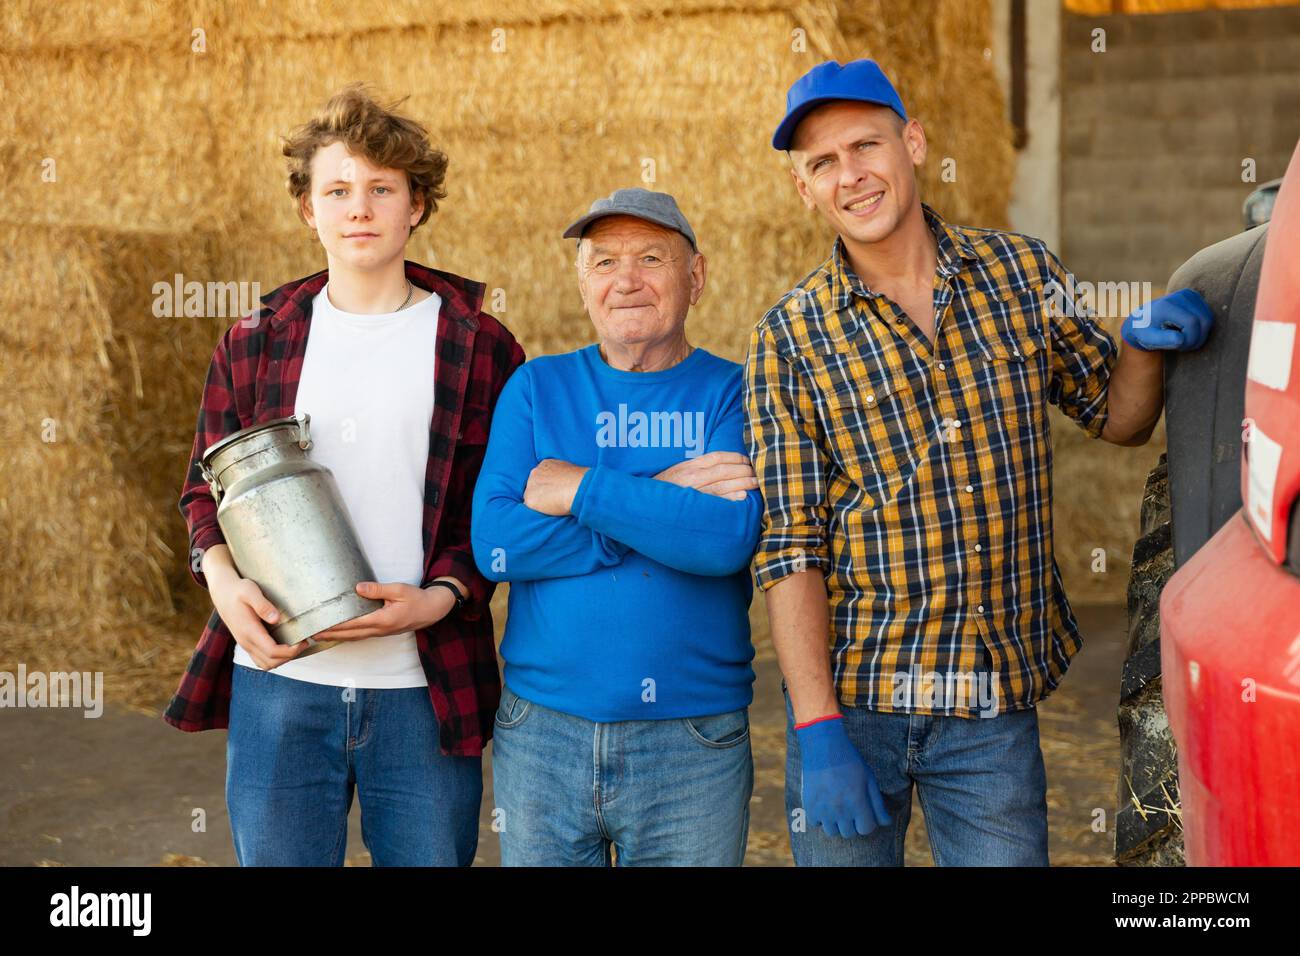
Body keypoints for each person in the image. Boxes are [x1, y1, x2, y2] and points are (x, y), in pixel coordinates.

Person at [745, 59, 1214, 866]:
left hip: (991, 709)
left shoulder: (1022, 275)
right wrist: (817, 726)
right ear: (803, 190)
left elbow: (1120, 417)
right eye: (823, 163)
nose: (850, 175)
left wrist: (1139, 349)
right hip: (859, 705)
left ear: (915, 142)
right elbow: (790, 547)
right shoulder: (787, 339)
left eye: (866, 145)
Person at [166, 83, 525, 866]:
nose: (358, 208)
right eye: (337, 190)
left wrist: (439, 599)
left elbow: (494, 510)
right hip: (283, 686)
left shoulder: (479, 344)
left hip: (423, 690)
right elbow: (205, 489)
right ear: (307, 209)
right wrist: (224, 586)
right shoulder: (257, 339)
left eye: (381, 189)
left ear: (416, 207)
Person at [472, 188, 761, 866]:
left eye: (651, 258)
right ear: (582, 285)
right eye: (603, 262)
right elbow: (496, 544)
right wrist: (658, 496)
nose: (625, 279)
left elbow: (721, 541)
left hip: (692, 741)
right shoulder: (538, 387)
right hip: (542, 733)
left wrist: (576, 487)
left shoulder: (736, 391)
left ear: (696, 278)